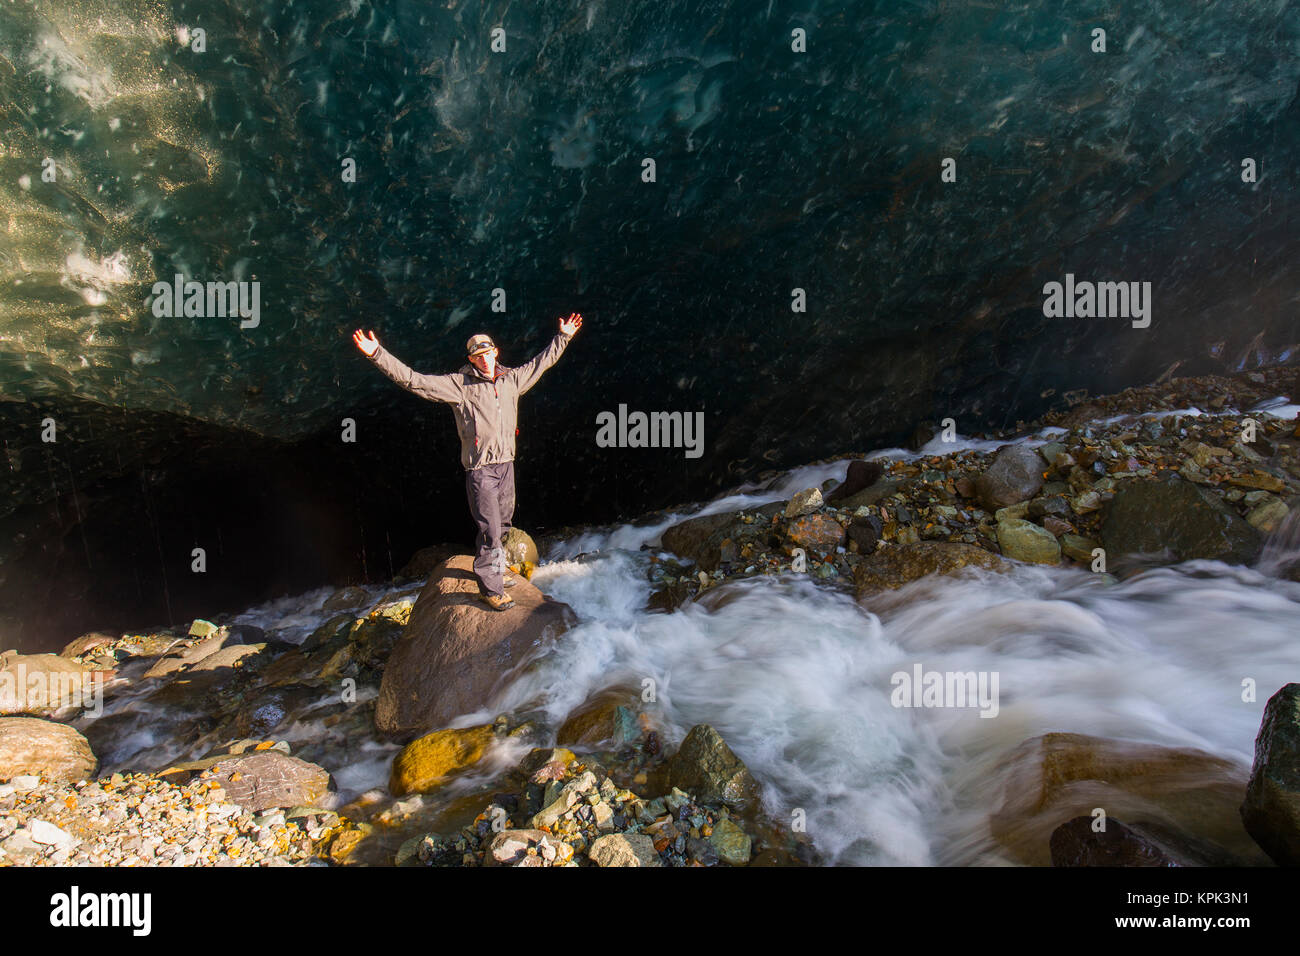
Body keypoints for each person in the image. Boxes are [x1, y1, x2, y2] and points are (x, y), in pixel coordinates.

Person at [352, 313, 583, 610]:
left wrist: (563, 337)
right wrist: (378, 354)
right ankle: (490, 590)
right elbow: (414, 381)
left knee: (503, 525)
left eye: (487, 353)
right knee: (489, 529)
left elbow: (542, 363)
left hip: (506, 465)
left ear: (495, 352)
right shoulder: (458, 386)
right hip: (480, 470)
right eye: (478, 356)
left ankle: (497, 572)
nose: (484, 360)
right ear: (471, 360)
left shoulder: (512, 379)